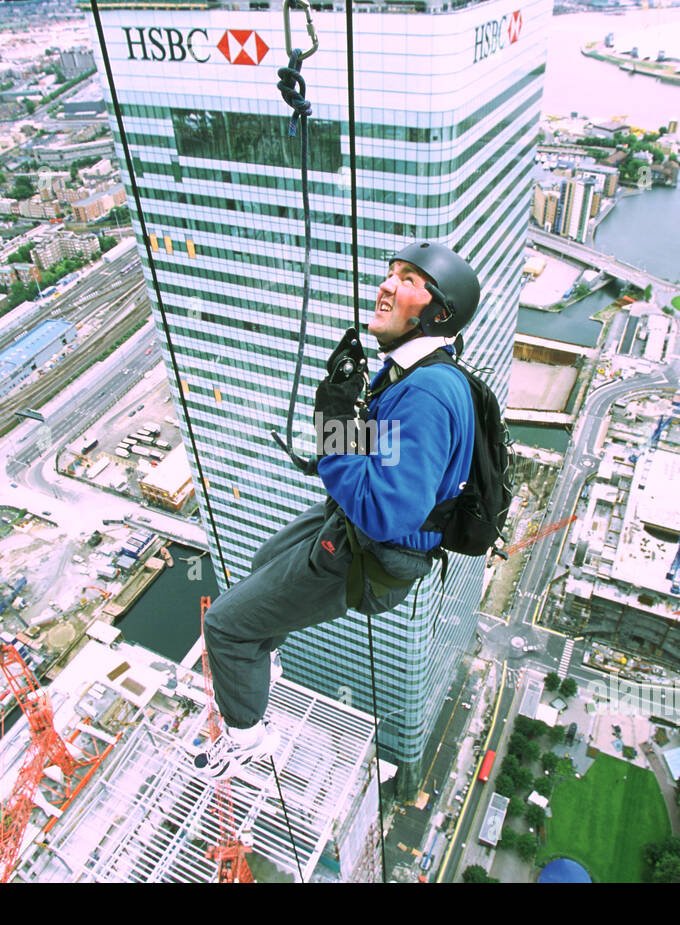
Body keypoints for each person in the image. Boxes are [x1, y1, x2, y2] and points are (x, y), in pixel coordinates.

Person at [193, 242, 481, 779]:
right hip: (350, 528)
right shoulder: (410, 373)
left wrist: (332, 428)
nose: (388, 285)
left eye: (410, 280)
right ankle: (260, 657)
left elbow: (382, 510)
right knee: (264, 560)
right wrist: (348, 400)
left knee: (226, 627)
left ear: (439, 312)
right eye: (391, 272)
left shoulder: (427, 395)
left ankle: (247, 738)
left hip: (370, 553)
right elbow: (379, 456)